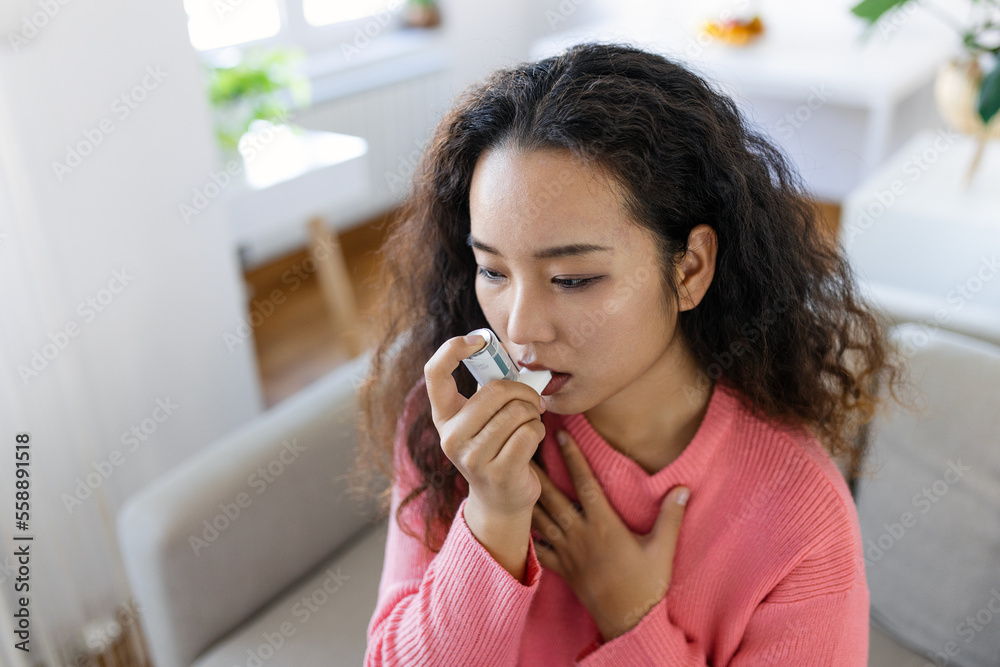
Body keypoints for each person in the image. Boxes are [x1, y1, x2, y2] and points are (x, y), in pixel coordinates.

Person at [351, 41, 914, 665]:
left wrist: (633, 622)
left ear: (690, 268)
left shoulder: (798, 514)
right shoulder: (458, 428)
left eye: (573, 280)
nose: (521, 327)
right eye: (493, 270)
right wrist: (492, 515)